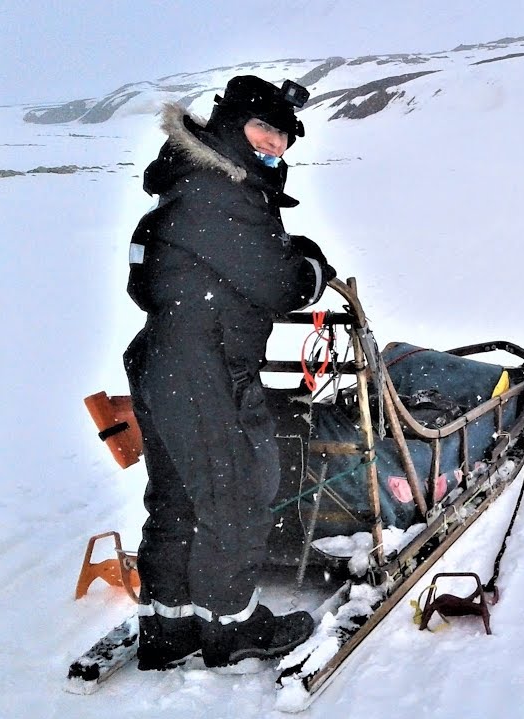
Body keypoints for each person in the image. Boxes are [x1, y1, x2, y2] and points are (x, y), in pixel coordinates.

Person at [123, 75, 336, 671]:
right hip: (206, 367)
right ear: (229, 126)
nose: (275, 145)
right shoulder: (217, 192)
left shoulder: (191, 187)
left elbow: (150, 284)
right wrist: (311, 266)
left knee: (180, 500)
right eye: (264, 128)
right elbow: (278, 283)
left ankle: (169, 626)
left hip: (169, 361)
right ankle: (231, 628)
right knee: (238, 492)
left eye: (285, 136)